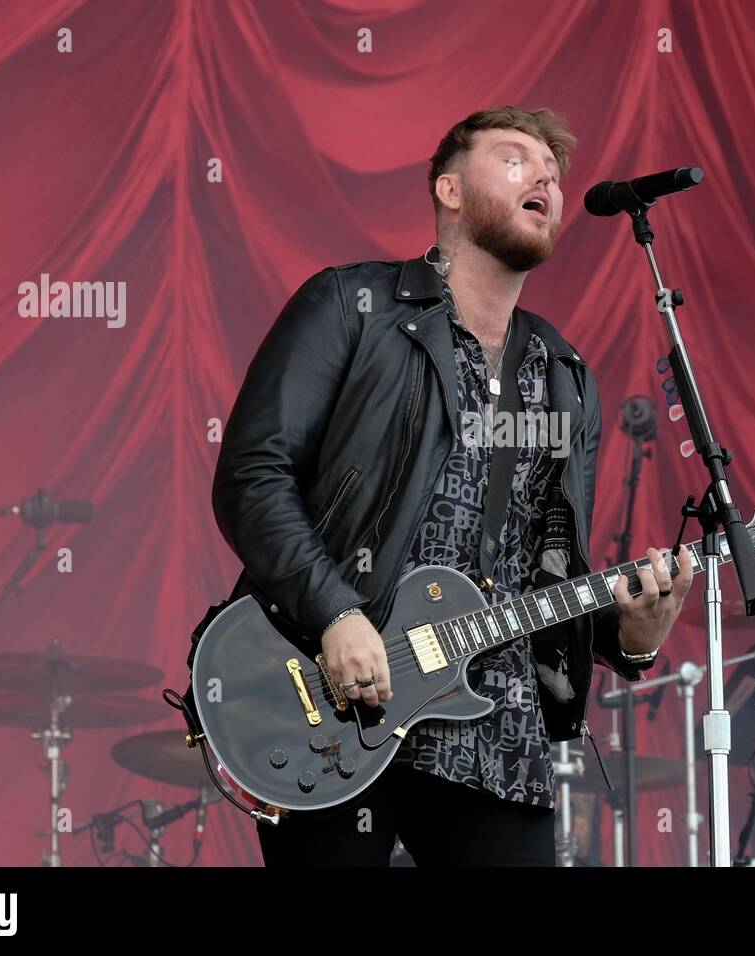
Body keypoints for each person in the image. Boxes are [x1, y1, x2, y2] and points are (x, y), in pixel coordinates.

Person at [211, 106, 693, 866]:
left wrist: (628, 644)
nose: (545, 178)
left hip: (496, 732)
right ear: (450, 190)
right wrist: (335, 614)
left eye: (554, 175)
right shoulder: (351, 308)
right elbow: (251, 475)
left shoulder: (565, 378)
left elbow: (546, 579)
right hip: (338, 704)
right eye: (513, 158)